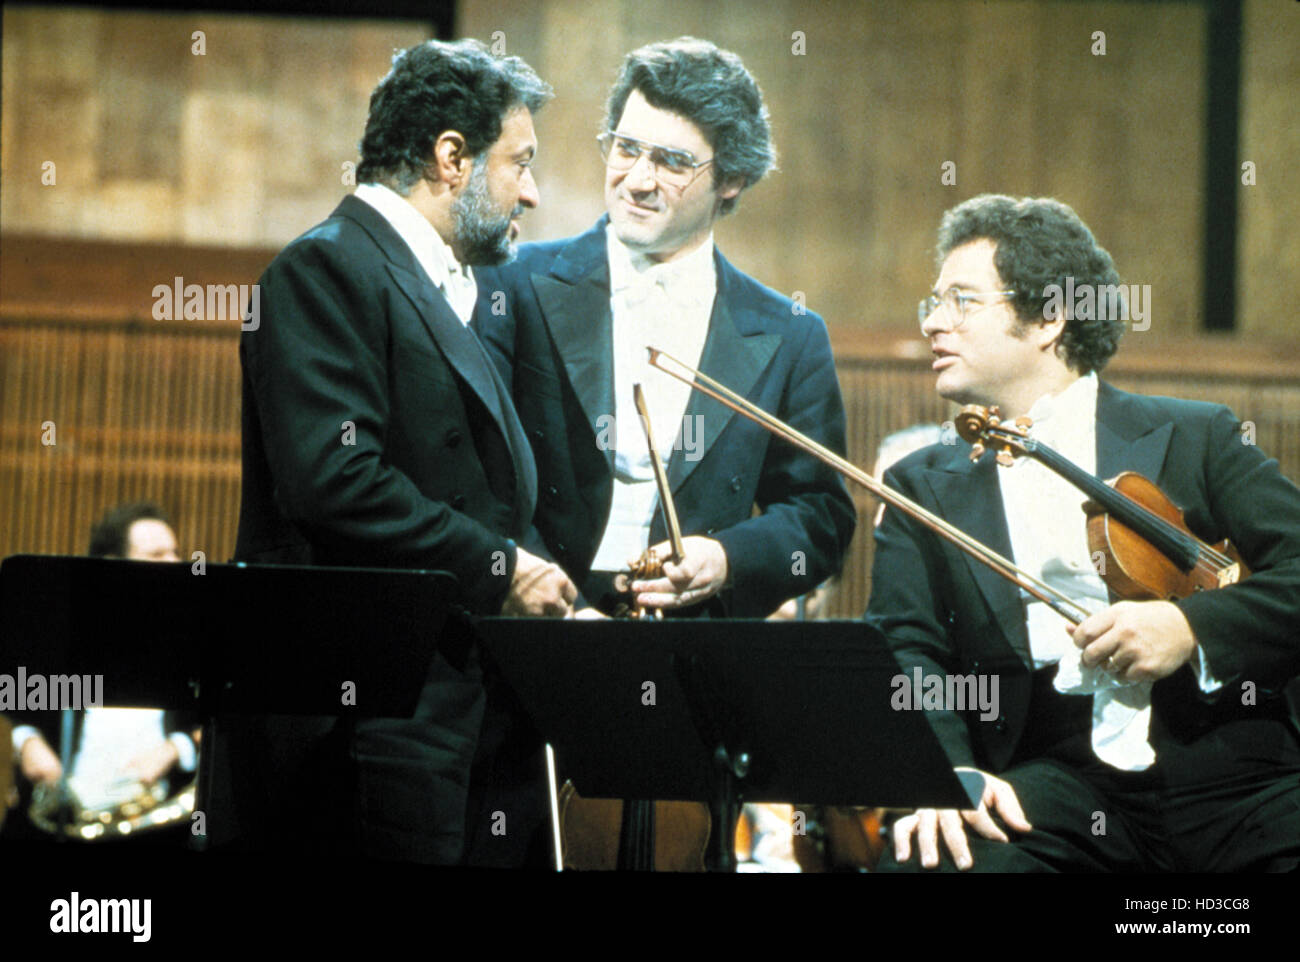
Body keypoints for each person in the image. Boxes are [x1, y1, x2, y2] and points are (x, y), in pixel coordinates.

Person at [215, 39, 575, 864]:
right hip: (354, 738)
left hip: (439, 727)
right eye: (520, 162)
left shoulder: (457, 292)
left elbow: (485, 500)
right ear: (452, 157)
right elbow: (334, 480)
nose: (534, 191)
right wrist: (504, 568)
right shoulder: (324, 267)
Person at [867, 194, 1300, 872]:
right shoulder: (921, 484)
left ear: (1049, 318)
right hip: (1052, 778)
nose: (932, 323)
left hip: (1234, 768)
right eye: (933, 301)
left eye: (961, 301)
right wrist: (950, 774)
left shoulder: (1195, 433)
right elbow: (908, 649)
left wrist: (1191, 630)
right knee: (932, 865)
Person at [477, 36, 855, 620]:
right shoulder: (513, 283)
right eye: (626, 149)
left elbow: (820, 514)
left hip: (693, 641)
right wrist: (546, 591)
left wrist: (727, 558)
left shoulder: (790, 333)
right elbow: (474, 471)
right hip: (535, 623)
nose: (638, 179)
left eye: (673, 162)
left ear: (730, 179)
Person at [6, 502, 199, 843]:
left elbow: (219, 719)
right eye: (157, 554)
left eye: (176, 553)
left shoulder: (193, 639)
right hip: (63, 827)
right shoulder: (68, 634)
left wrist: (174, 748)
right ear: (114, 566)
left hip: (157, 829)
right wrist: (29, 741)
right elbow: (19, 695)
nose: (175, 564)